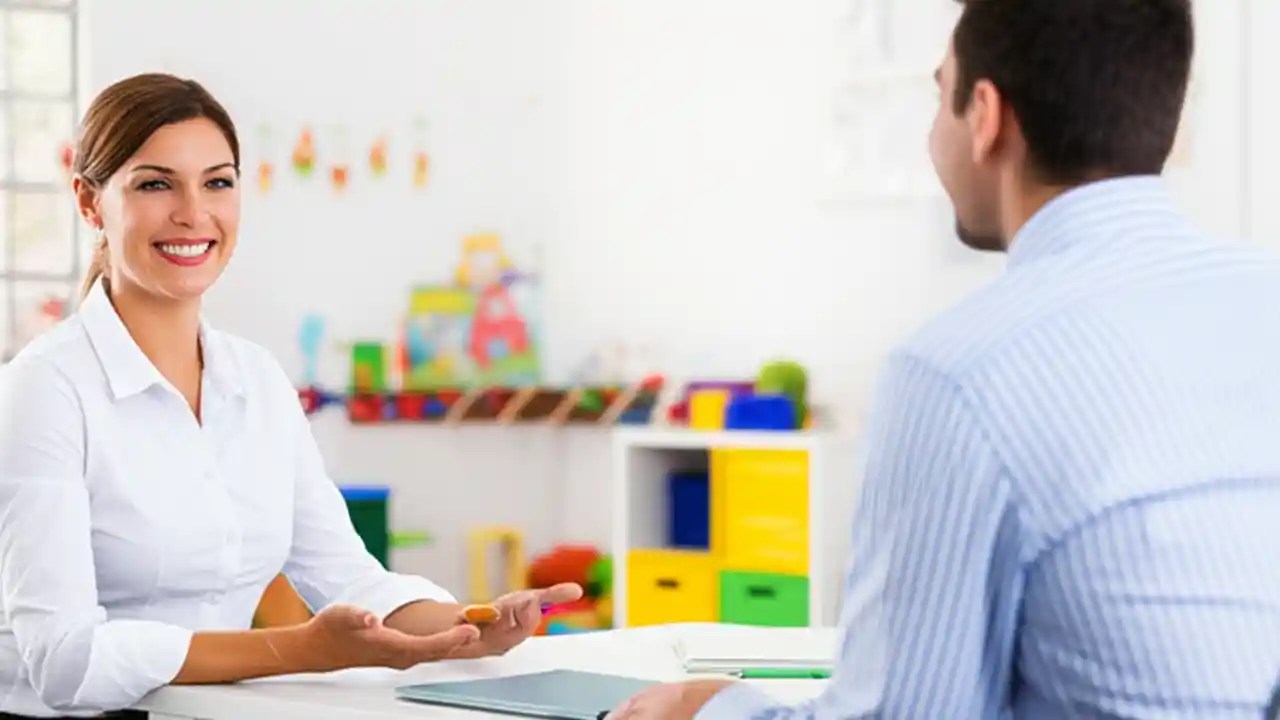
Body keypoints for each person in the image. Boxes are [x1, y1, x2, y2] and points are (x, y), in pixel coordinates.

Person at [609, 0, 1280, 717]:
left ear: (986, 117)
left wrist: (705, 710)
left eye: (939, 95)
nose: (934, 133)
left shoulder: (956, 373)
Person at [0, 74, 580, 719]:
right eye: (156, 184)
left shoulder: (257, 381)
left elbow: (349, 578)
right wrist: (297, 650)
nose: (194, 212)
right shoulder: (44, 390)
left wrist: (467, 627)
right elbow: (64, 661)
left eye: (217, 182)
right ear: (88, 202)